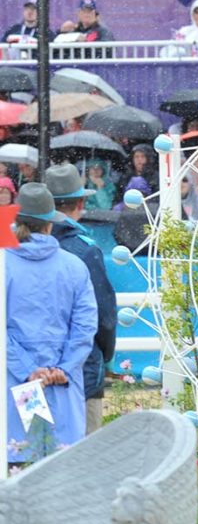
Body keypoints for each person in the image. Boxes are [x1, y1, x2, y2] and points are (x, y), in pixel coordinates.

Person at [5, 183, 98, 459]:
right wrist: (64, 367)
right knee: (60, 463)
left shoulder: (4, 263)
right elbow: (85, 328)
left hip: (19, 378)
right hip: (62, 379)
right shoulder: (74, 265)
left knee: (23, 457)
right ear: (50, 224)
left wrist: (29, 370)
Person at [45, 165, 117, 436]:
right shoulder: (85, 250)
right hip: (80, 369)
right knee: (85, 457)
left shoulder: (16, 249)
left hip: (30, 369)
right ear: (81, 202)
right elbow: (104, 317)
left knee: (32, 454)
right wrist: (106, 356)